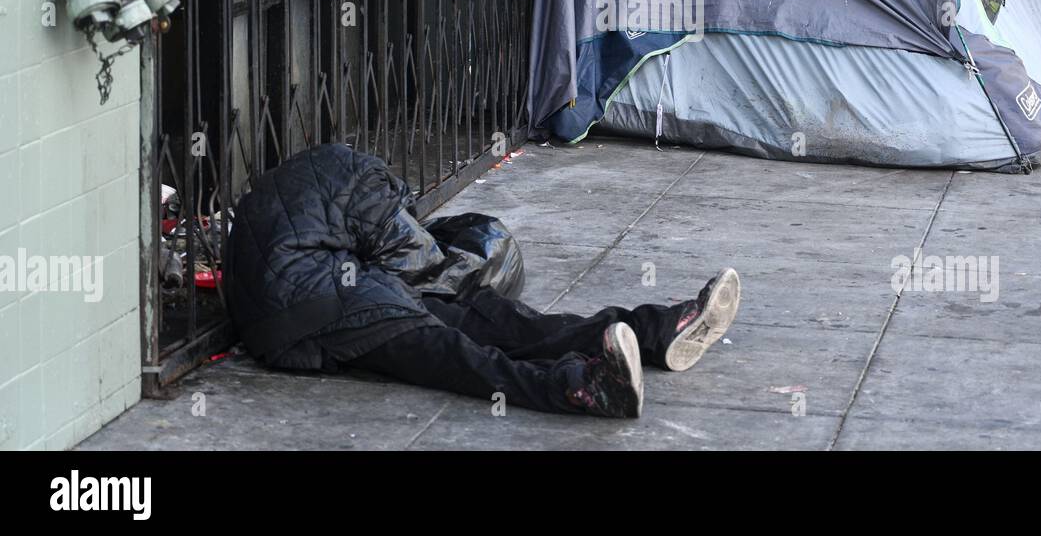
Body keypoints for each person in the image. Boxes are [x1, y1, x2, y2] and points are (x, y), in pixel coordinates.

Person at [226, 143, 744, 419]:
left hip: (324, 293)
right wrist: (452, 272)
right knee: (456, 351)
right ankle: (581, 388)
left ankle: (655, 331)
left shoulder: (321, 182)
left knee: (494, 319)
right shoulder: (364, 188)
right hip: (313, 311)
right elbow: (417, 259)